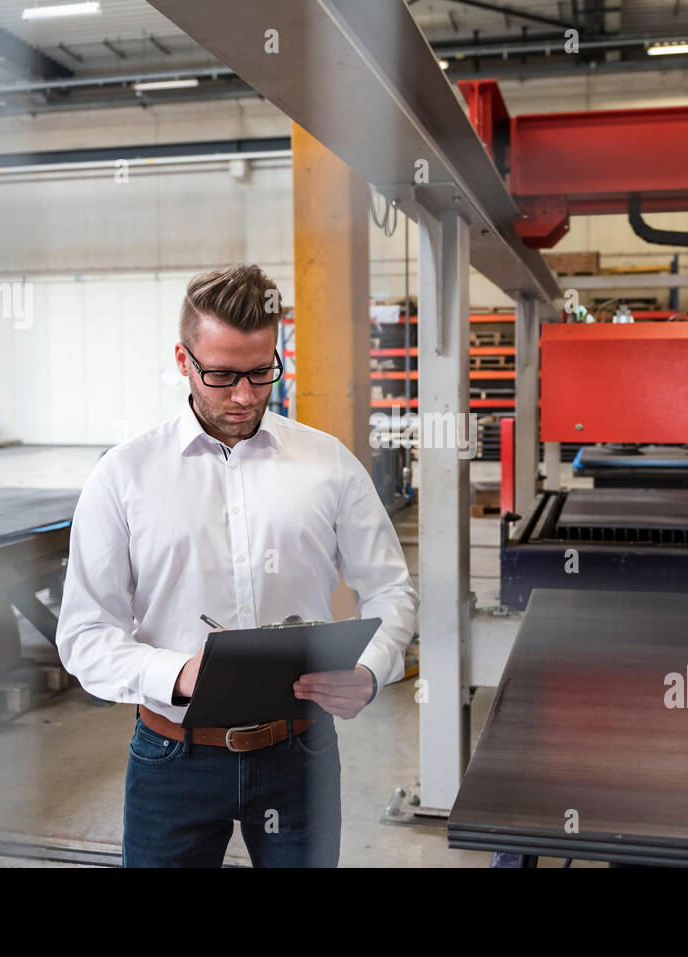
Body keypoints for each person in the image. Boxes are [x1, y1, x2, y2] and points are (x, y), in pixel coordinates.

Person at [56, 264, 419, 867]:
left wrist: (371, 671)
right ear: (183, 360)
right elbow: (85, 635)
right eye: (222, 375)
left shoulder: (327, 464)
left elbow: (390, 589)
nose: (245, 395)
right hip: (173, 759)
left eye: (260, 372)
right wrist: (180, 675)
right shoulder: (124, 476)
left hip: (298, 755)